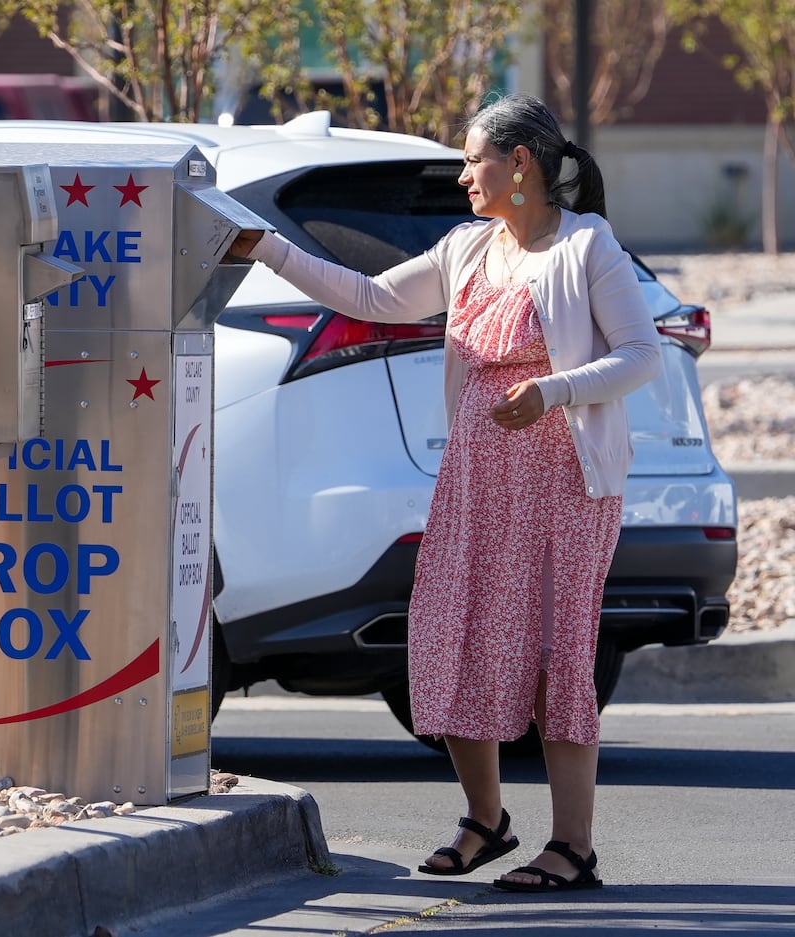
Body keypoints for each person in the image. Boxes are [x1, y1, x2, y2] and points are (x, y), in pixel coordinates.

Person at [228, 93, 660, 892]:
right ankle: (486, 819)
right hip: (474, 478)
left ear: (519, 163)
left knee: (552, 654)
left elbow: (642, 355)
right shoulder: (466, 248)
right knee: (451, 634)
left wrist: (554, 391)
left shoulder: (586, 246)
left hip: (563, 483)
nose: (464, 175)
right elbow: (373, 299)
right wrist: (269, 251)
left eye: (473, 159)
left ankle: (573, 845)